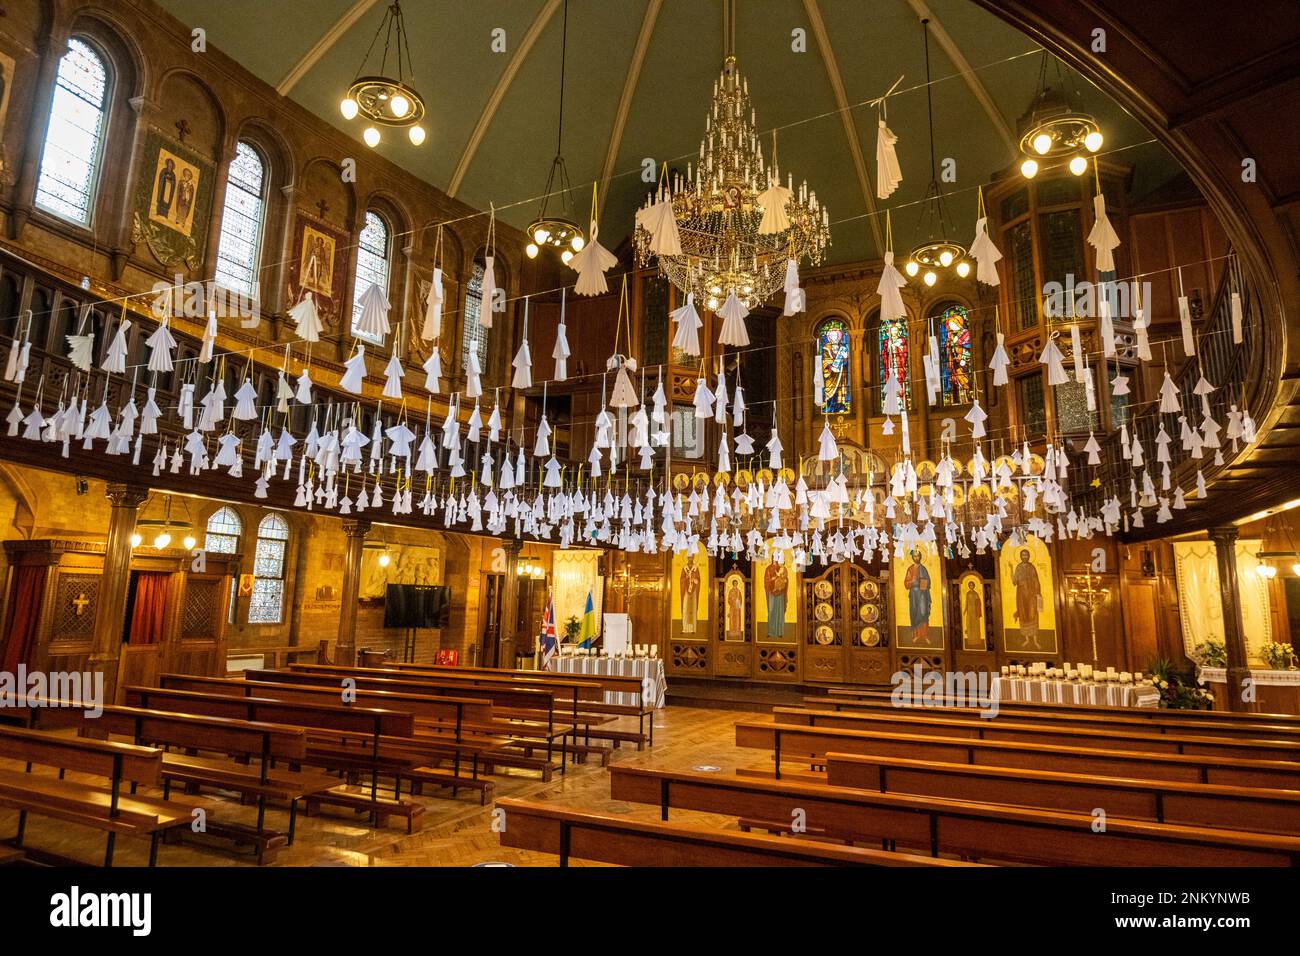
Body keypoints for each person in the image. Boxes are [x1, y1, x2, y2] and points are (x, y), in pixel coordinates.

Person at [1012, 548, 1043, 650]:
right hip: (1021, 594)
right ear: (1020, 557)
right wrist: (1011, 570)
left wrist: (1038, 593)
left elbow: (1036, 581)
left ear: (1029, 556)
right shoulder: (1019, 567)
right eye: (1023, 555)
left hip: (1031, 594)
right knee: (1023, 615)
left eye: (1026, 555)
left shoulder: (1031, 567)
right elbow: (1014, 582)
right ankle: (1026, 639)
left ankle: (1035, 640)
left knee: (1032, 614)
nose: (1024, 557)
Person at [904, 550, 934, 646]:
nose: (916, 558)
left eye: (917, 556)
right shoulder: (910, 569)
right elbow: (906, 584)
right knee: (914, 612)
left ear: (920, 557)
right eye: (914, 556)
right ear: (912, 558)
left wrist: (923, 585)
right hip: (913, 594)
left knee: (923, 613)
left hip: (922, 594)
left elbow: (928, 582)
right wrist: (912, 581)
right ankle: (916, 635)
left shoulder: (923, 569)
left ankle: (925, 635)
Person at [764, 562, 789, 639]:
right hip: (771, 592)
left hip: (781, 593)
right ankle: (771, 632)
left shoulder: (782, 567)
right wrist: (773, 579)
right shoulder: (768, 568)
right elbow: (766, 580)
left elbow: (786, 578)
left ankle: (780, 632)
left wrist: (783, 579)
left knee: (780, 611)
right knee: (771, 611)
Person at [680, 552, 700, 634]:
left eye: (692, 557)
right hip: (686, 591)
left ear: (693, 558)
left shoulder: (696, 568)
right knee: (685, 608)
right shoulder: (684, 569)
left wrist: (695, 580)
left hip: (694, 591)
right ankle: (685, 629)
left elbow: (698, 580)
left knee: (693, 609)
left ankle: (693, 629)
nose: (690, 559)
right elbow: (681, 580)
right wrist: (686, 578)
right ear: (687, 558)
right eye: (689, 557)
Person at [962, 578, 984, 650]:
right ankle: (970, 641)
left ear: (974, 586)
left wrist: (977, 608)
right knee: (969, 625)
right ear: (969, 586)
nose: (971, 586)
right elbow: (966, 602)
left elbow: (979, 602)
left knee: (975, 625)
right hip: (969, 611)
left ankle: (976, 640)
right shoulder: (967, 593)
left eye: (972, 585)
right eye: (970, 585)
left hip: (975, 611)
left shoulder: (975, 593)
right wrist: (965, 610)